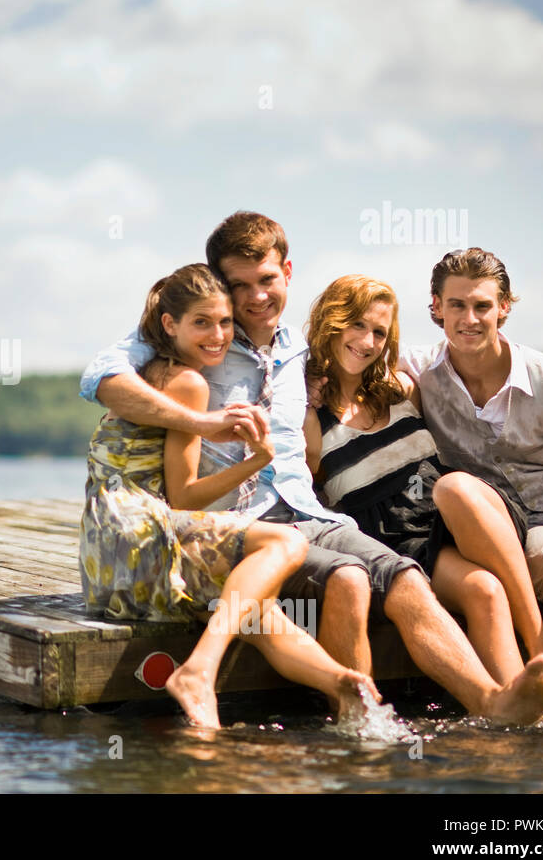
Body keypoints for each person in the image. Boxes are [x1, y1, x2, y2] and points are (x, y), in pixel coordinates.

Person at [80, 211, 543, 725]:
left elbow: (365, 350)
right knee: (349, 582)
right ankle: (360, 724)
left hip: (308, 513)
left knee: (406, 580)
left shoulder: (300, 354)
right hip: (240, 526)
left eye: (266, 280)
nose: (256, 297)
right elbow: (99, 376)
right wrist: (205, 421)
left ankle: (491, 700)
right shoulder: (204, 343)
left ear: (287, 271)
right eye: (239, 285)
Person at [80, 263, 381, 728]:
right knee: (285, 544)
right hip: (139, 535)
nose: (219, 335)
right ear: (169, 325)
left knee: (254, 610)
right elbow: (185, 498)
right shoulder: (188, 382)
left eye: (224, 322)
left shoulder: (157, 373)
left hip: (108, 555)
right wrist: (257, 461)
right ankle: (200, 670)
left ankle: (344, 686)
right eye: (202, 322)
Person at [302, 274, 543, 690]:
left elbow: (453, 362)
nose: (367, 342)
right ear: (332, 322)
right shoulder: (310, 418)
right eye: (357, 324)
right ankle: (518, 713)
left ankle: (536, 646)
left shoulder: (401, 388)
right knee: (485, 592)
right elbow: (309, 495)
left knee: (456, 490)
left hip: (458, 515)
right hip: (399, 540)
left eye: (379, 332)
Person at [398, 247, 543, 718]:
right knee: (453, 488)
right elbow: (346, 361)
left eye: (482, 305)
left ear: (504, 307)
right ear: (436, 307)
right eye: (457, 305)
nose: (469, 319)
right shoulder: (418, 370)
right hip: (491, 531)